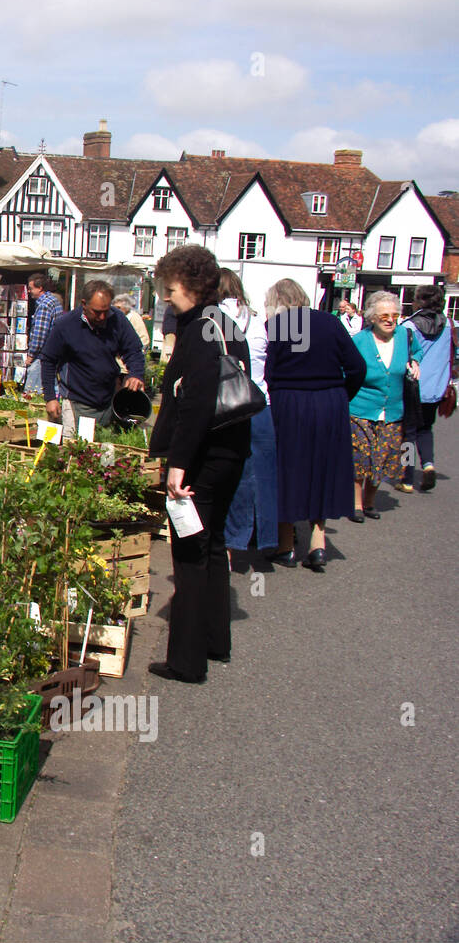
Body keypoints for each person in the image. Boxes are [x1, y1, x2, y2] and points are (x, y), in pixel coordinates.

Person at [146, 246, 253, 684]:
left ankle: (186, 660)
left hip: (203, 456)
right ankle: (214, 640)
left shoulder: (200, 330)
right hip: (231, 450)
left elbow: (196, 403)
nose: (167, 299)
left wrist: (178, 464)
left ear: (189, 285)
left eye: (170, 290)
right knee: (213, 547)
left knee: (189, 550)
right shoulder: (227, 324)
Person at [264, 279, 366, 572]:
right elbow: (358, 367)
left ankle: (285, 546)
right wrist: (341, 396)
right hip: (330, 403)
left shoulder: (279, 326)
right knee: (321, 469)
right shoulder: (331, 323)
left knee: (287, 470)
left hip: (289, 404)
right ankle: (318, 544)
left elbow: (268, 373)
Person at [219, 270, 278, 557]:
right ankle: (262, 538)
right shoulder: (258, 321)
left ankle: (229, 545)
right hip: (260, 403)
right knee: (263, 476)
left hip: (227, 406)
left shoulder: (213, 319)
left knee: (229, 474)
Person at [39, 279, 146, 436]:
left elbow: (133, 350)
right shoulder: (66, 325)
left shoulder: (117, 319)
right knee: (74, 451)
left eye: (106, 311)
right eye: (97, 312)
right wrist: (50, 398)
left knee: (104, 454)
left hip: (108, 401)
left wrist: (136, 373)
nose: (102, 317)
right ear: (84, 304)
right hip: (76, 401)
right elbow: (48, 360)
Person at [348, 291, 420, 520]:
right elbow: (345, 369)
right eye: (384, 316)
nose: (390, 320)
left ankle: (370, 502)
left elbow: (416, 351)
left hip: (394, 411)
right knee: (361, 458)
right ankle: (356, 504)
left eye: (395, 315)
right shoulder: (359, 341)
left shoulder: (405, 336)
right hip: (360, 409)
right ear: (372, 318)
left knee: (382, 459)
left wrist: (416, 362)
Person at [400, 284, 456, 492]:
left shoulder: (410, 326)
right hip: (436, 387)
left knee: (407, 433)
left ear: (419, 301)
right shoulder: (449, 324)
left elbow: (402, 355)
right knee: (426, 429)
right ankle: (428, 465)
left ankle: (406, 477)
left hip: (412, 386)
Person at [23, 272, 62, 394]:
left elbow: (40, 334)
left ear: (40, 288)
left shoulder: (44, 305)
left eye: (31, 288)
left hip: (42, 355)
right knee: (50, 389)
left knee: (33, 393)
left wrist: (31, 355)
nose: (29, 291)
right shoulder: (54, 301)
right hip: (53, 353)